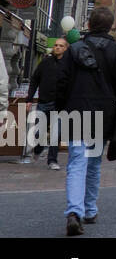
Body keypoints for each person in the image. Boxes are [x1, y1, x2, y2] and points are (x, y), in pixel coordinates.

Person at [56, 7, 116, 236]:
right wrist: (110, 93)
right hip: (103, 113)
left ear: (88, 24)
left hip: (77, 110)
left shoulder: (74, 50)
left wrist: (61, 108)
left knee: (76, 162)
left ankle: (74, 212)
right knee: (94, 163)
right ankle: (89, 209)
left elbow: (61, 82)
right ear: (110, 27)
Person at [25, 37, 68, 168]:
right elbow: (34, 80)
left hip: (60, 104)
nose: (57, 47)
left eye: (61, 46)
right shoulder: (46, 62)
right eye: (56, 45)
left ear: (66, 48)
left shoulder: (69, 65)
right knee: (39, 132)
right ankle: (38, 149)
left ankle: (52, 160)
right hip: (44, 102)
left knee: (56, 133)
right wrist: (29, 99)